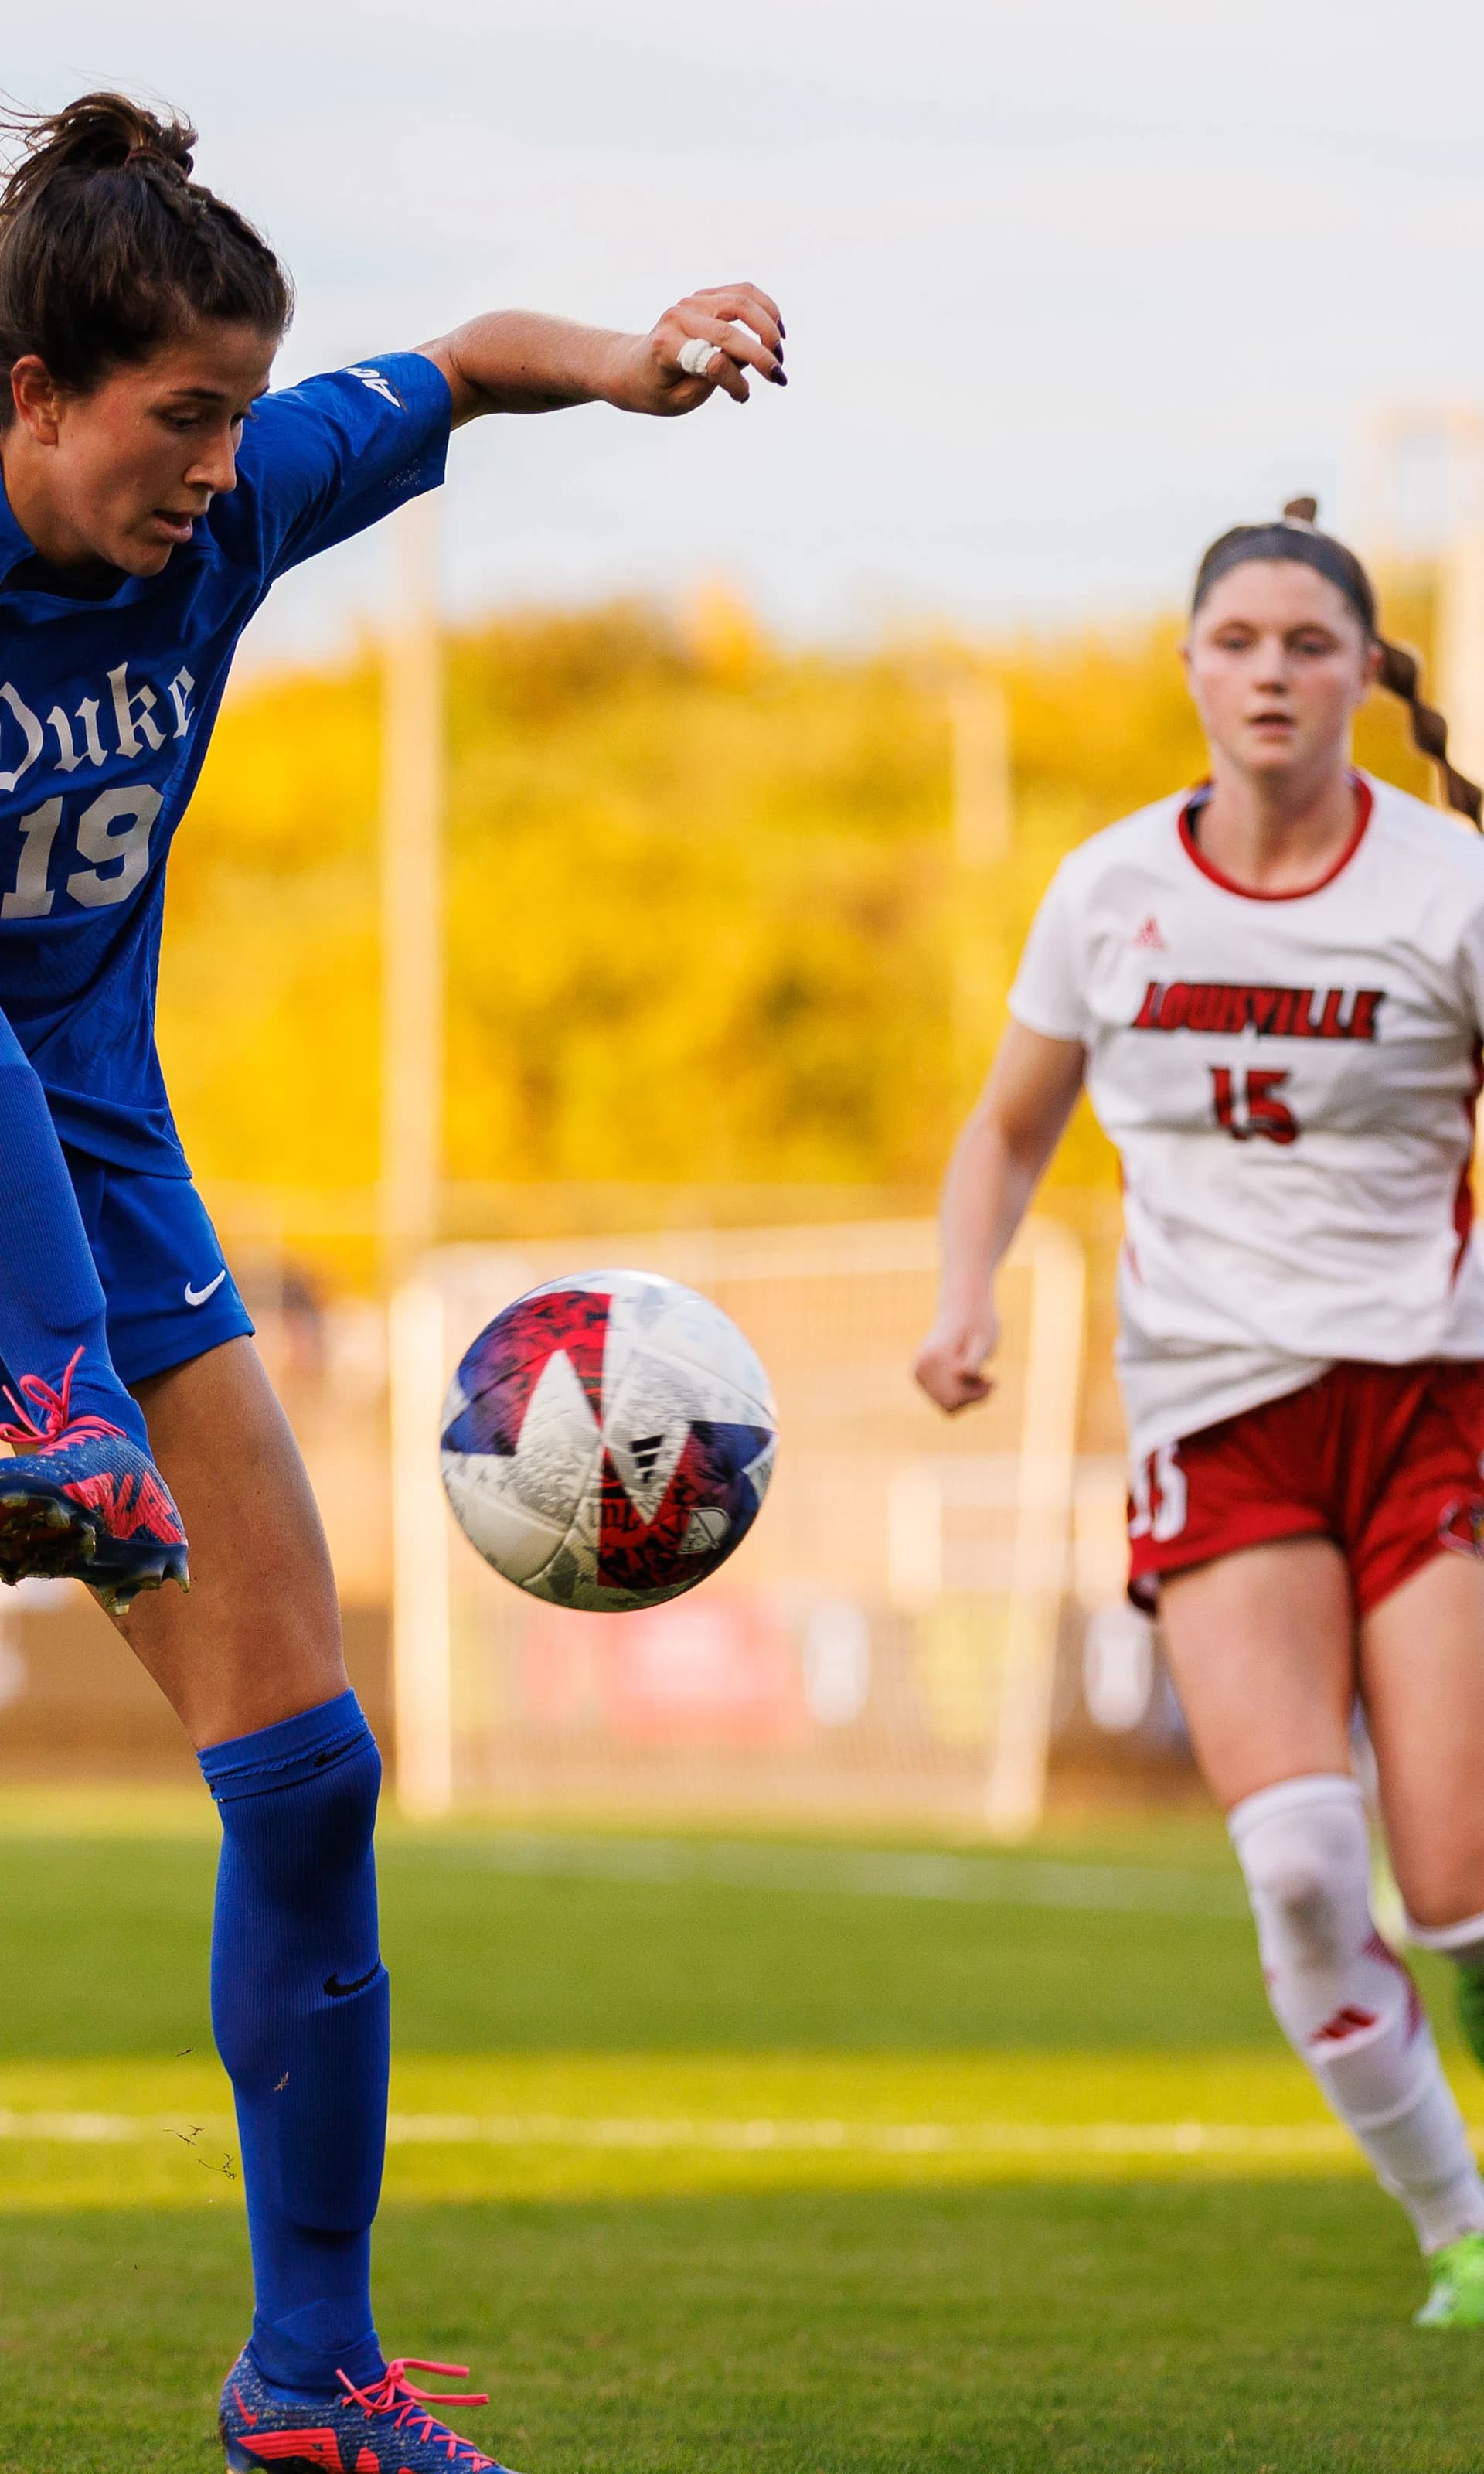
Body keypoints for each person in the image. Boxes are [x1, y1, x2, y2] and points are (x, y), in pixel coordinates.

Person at [0, 90, 785, 2472]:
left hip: (100, 1167)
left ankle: (308, 2372)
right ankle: (46, 1415)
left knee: (312, 1769)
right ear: (25, 399)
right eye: (183, 418)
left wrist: (639, 361)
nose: (224, 467)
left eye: (245, 413)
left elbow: (456, 367)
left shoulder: (217, 513)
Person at [914, 496, 1484, 2330]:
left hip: (1433, 1403)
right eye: (1236, 641)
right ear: (1187, 666)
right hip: (1218, 1418)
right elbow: (1009, 1126)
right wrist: (962, 1295)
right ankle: (1459, 2231)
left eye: (1308, 644)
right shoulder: (1106, 890)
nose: (1270, 673)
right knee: (1311, 1873)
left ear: (1360, 672)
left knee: (1462, 1887)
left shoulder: (1447, 892)